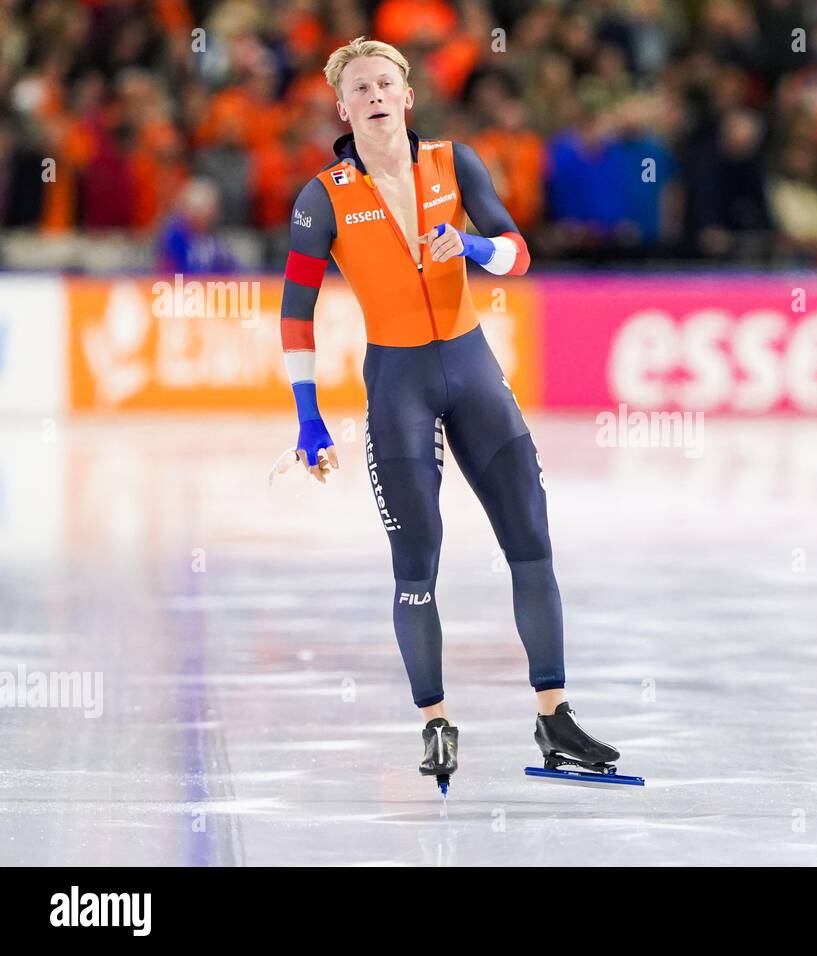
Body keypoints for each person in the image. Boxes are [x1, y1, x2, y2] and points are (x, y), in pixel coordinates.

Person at [278, 37, 621, 793]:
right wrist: (308, 418)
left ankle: (555, 716)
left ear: (406, 97)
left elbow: (518, 254)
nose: (373, 95)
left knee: (530, 540)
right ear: (344, 108)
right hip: (396, 385)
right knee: (416, 567)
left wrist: (469, 243)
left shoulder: (455, 163)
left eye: (385, 83)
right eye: (359, 87)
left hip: (473, 371)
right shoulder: (321, 197)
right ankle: (435, 722)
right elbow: (295, 317)